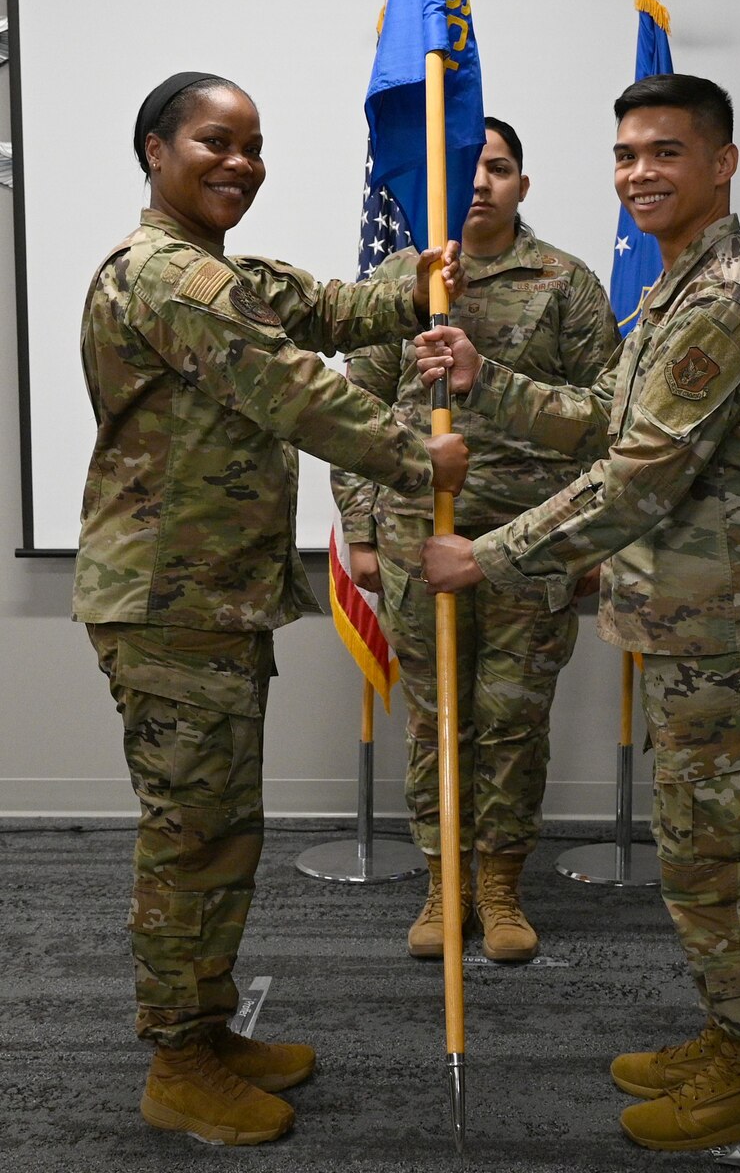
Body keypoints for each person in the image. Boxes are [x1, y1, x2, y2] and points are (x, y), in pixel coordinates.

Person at [416, 75, 740, 1152]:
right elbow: (609, 416)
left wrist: (489, 555)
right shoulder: (675, 286)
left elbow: (638, 478)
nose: (639, 172)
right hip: (701, 628)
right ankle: (731, 1031)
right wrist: (486, 379)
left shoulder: (729, 301)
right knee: (706, 848)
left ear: (722, 162)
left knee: (726, 858)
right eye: (625, 154)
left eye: (665, 152)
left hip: (734, 635)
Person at [74, 71, 468, 1147]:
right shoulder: (166, 278)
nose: (241, 162)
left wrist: (419, 280)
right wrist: (414, 452)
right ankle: (176, 1060)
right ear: (156, 149)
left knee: (223, 829)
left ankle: (205, 1026)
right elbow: (292, 383)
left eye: (254, 145)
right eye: (216, 141)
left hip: (213, 598)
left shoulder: (221, 272)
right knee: (190, 836)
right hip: (171, 602)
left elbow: (332, 311)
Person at [331, 118, 619, 962]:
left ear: (523, 184)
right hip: (421, 532)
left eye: (499, 167)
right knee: (436, 720)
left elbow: (607, 419)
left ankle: (499, 887)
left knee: (513, 719)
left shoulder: (566, 283)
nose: (483, 181)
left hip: (532, 538)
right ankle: (441, 884)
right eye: (468, 167)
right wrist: (362, 534)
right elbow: (357, 417)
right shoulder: (401, 281)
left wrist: (591, 538)